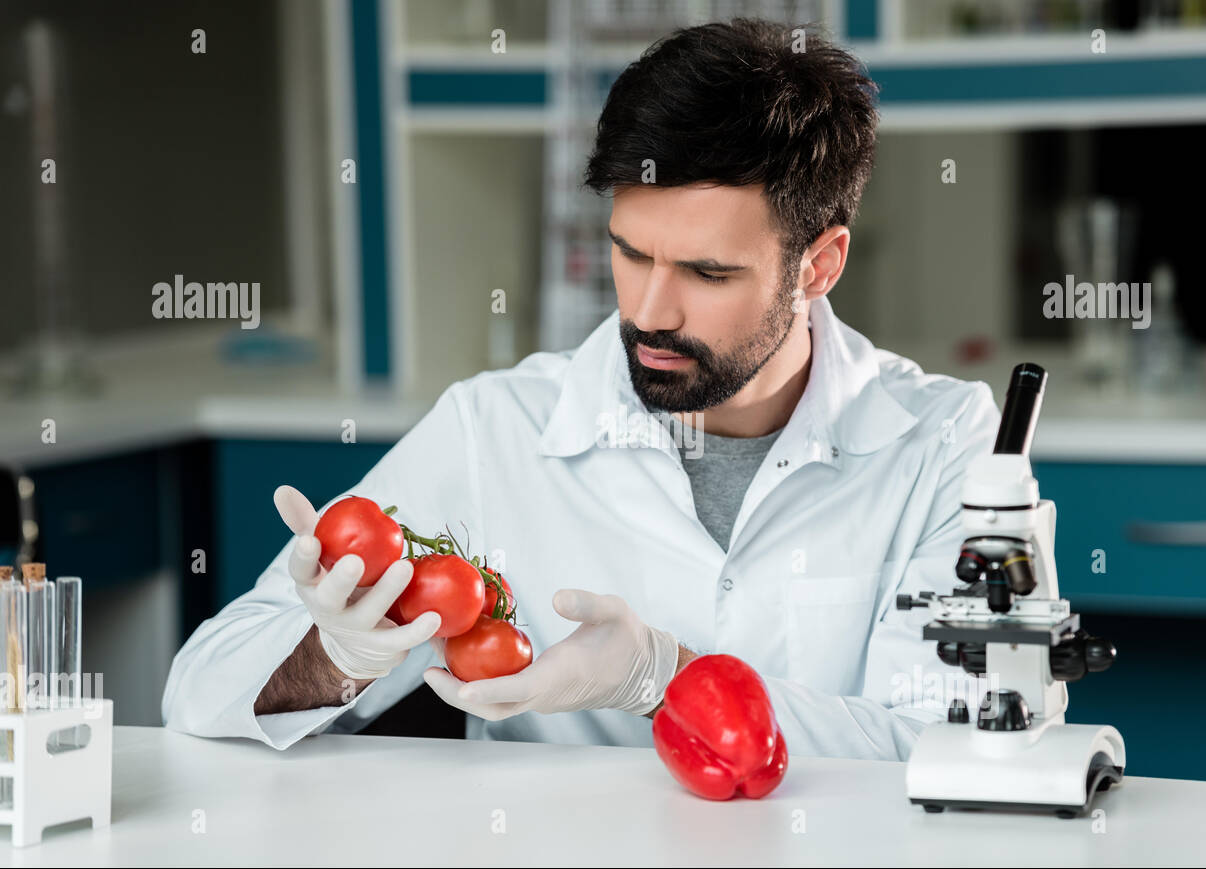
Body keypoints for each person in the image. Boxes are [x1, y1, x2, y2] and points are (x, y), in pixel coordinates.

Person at [162, 18, 1000, 759]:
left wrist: (666, 678)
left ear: (819, 265)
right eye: (631, 252)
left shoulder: (941, 441)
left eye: (707, 272)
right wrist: (337, 655)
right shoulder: (497, 428)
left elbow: (952, 749)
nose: (649, 309)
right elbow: (198, 693)